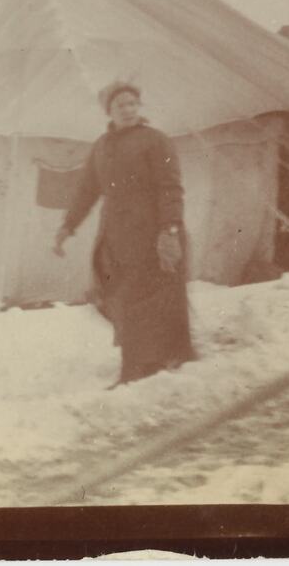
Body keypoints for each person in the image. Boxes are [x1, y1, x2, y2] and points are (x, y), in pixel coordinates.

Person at [53, 81, 195, 386]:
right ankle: (151, 359)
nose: (128, 110)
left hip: (152, 234)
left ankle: (137, 368)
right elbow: (87, 190)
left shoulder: (156, 141)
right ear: (109, 111)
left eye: (133, 103)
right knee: (118, 297)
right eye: (121, 105)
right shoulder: (101, 146)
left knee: (139, 300)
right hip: (116, 237)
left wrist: (169, 229)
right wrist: (68, 226)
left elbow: (170, 187)